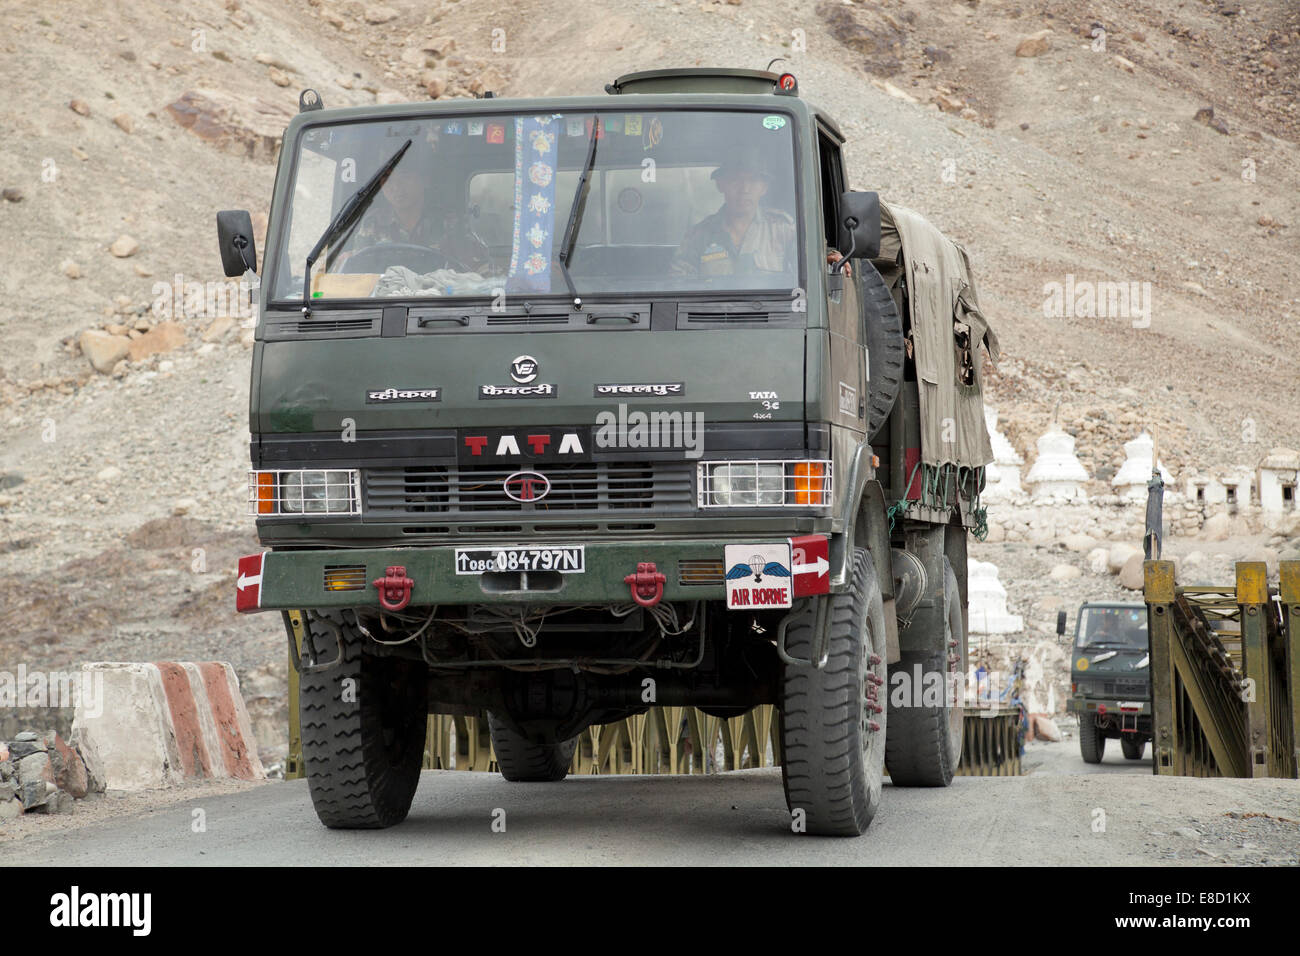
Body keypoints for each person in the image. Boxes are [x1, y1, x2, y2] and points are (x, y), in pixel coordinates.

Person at [670, 154, 849, 278]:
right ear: (721, 185)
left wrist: (829, 256)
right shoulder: (700, 235)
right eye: (735, 180)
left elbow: (811, 257)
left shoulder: (782, 228)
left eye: (753, 181)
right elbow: (678, 282)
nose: (744, 189)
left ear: (764, 188)